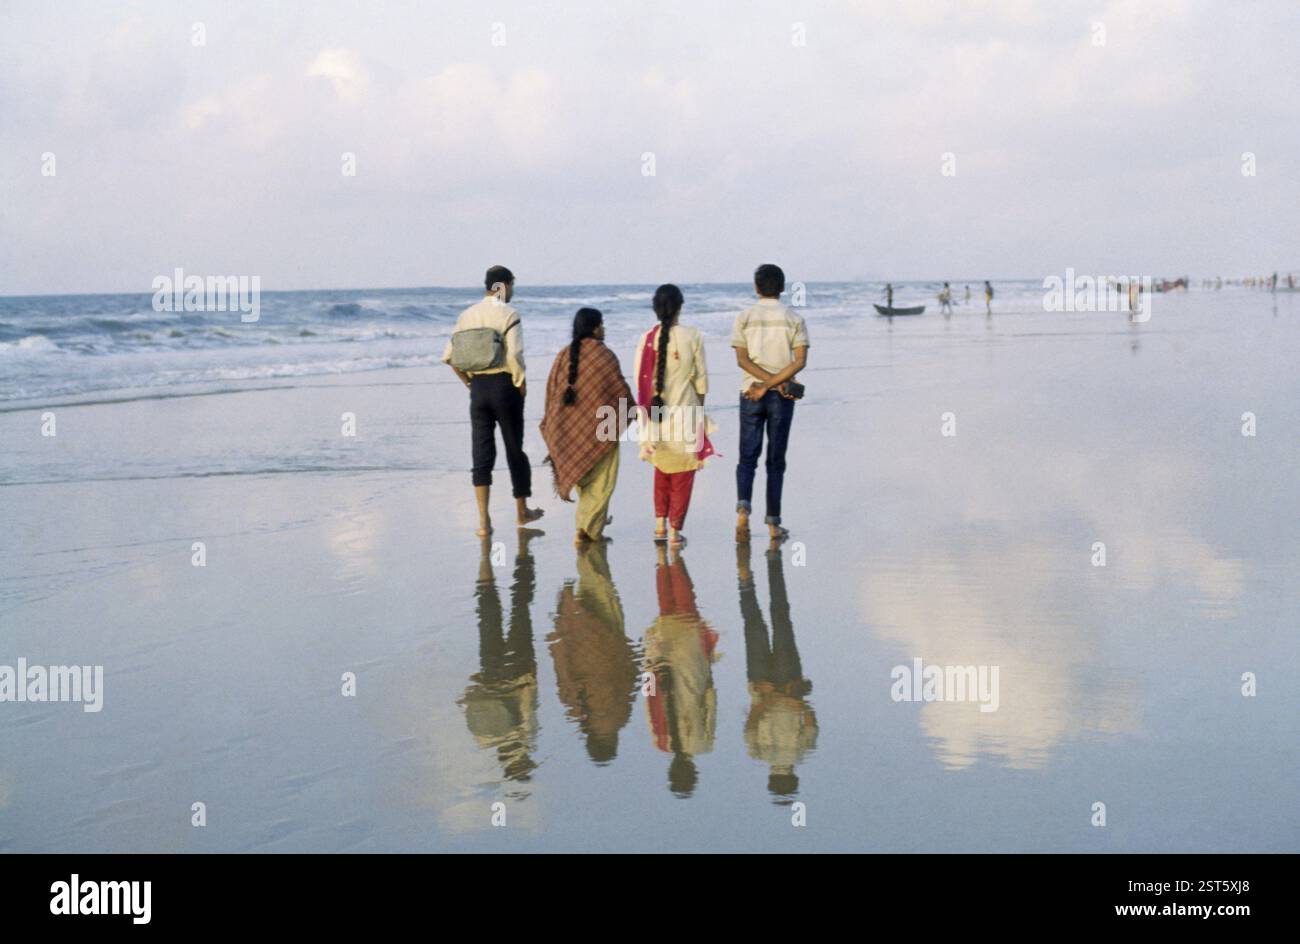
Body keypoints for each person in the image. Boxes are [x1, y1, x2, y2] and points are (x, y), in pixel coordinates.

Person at [443, 265, 544, 536]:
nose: (512, 290)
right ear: (504, 286)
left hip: (478, 389)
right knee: (514, 449)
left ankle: (484, 522)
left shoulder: (466, 315)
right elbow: (515, 355)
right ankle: (522, 511)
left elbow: (449, 357)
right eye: (512, 285)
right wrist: (521, 383)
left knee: (481, 452)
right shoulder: (509, 313)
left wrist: (469, 383)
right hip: (504, 386)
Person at [539, 307, 637, 546]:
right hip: (601, 429)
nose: (604, 328)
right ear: (594, 328)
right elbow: (620, 391)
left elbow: (551, 393)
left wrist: (554, 422)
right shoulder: (604, 355)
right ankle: (587, 531)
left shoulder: (563, 355)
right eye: (601, 324)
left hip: (568, 429)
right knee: (602, 483)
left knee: (584, 479)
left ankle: (590, 525)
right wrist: (630, 411)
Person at [634, 284, 715, 549]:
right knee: (683, 474)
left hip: (656, 415)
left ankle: (659, 525)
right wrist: (699, 413)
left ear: (656, 308)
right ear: (680, 306)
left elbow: (640, 381)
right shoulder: (693, 336)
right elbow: (701, 381)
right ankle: (674, 531)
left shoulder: (646, 338)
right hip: (686, 413)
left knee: (662, 470)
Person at [731, 264, 808, 543]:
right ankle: (774, 524)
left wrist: (762, 385)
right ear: (782, 287)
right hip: (781, 396)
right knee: (776, 460)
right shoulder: (794, 318)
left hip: (750, 393)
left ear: (756, 287)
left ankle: (743, 509)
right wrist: (773, 384)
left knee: (747, 457)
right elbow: (799, 361)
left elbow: (742, 360)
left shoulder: (744, 317)